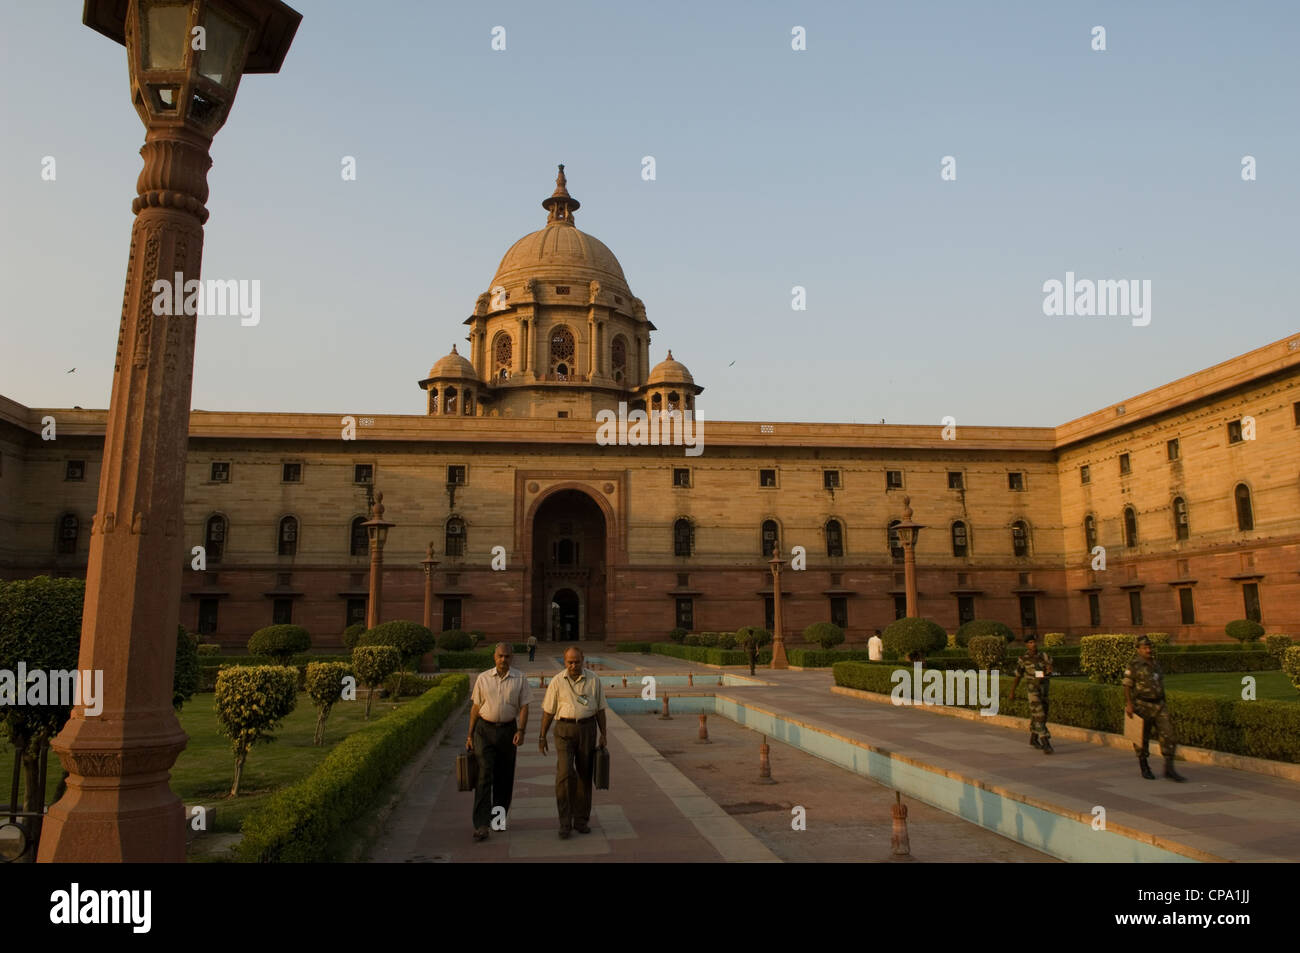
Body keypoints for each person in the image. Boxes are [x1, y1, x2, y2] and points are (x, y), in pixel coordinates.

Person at [538, 646, 608, 838]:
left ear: (583, 659)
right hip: (564, 730)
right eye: (570, 662)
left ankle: (581, 820)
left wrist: (604, 734)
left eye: (577, 661)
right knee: (565, 773)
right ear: (564, 661)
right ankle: (565, 822)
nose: (573, 665)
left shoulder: (593, 679)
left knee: (585, 775)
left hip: (587, 729)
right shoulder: (557, 681)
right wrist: (542, 736)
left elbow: (600, 709)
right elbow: (548, 711)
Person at [466, 643, 531, 841]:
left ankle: (498, 821)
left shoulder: (520, 678)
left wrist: (521, 730)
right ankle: (481, 824)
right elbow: (476, 708)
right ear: (494, 657)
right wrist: (469, 735)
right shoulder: (483, 678)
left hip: (508, 730)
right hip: (484, 730)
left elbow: (524, 707)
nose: (504, 660)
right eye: (500, 656)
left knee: (504, 777)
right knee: (484, 775)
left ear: (512, 658)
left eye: (507, 657)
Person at [1123, 635, 1185, 782]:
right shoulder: (1134, 665)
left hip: (1159, 705)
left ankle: (1169, 769)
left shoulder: (1155, 664)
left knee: (1169, 734)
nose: (1148, 650)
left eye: (1149, 647)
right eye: (1145, 647)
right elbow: (1127, 685)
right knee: (1142, 738)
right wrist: (1129, 704)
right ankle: (1144, 766)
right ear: (1138, 649)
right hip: (1142, 705)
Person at [1008, 634, 1053, 754]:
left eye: (1034, 642)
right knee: (1040, 714)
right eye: (1030, 643)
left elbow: (1049, 669)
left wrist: (1047, 671)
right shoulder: (1023, 659)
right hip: (1032, 690)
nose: (1033, 645)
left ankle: (1033, 738)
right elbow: (1018, 676)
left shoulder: (1044, 656)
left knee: (1041, 715)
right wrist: (1012, 691)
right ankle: (1045, 742)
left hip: (1044, 689)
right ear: (1026, 645)